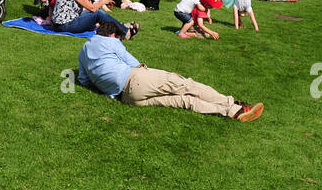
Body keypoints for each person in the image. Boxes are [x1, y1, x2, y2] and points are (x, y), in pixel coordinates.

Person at [77, 20, 262, 121]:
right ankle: (232, 103)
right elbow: (133, 62)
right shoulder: (112, 41)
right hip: (135, 79)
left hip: (126, 99)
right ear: (113, 35)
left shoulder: (82, 52)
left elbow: (84, 81)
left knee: (182, 102)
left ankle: (233, 113)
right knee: (185, 85)